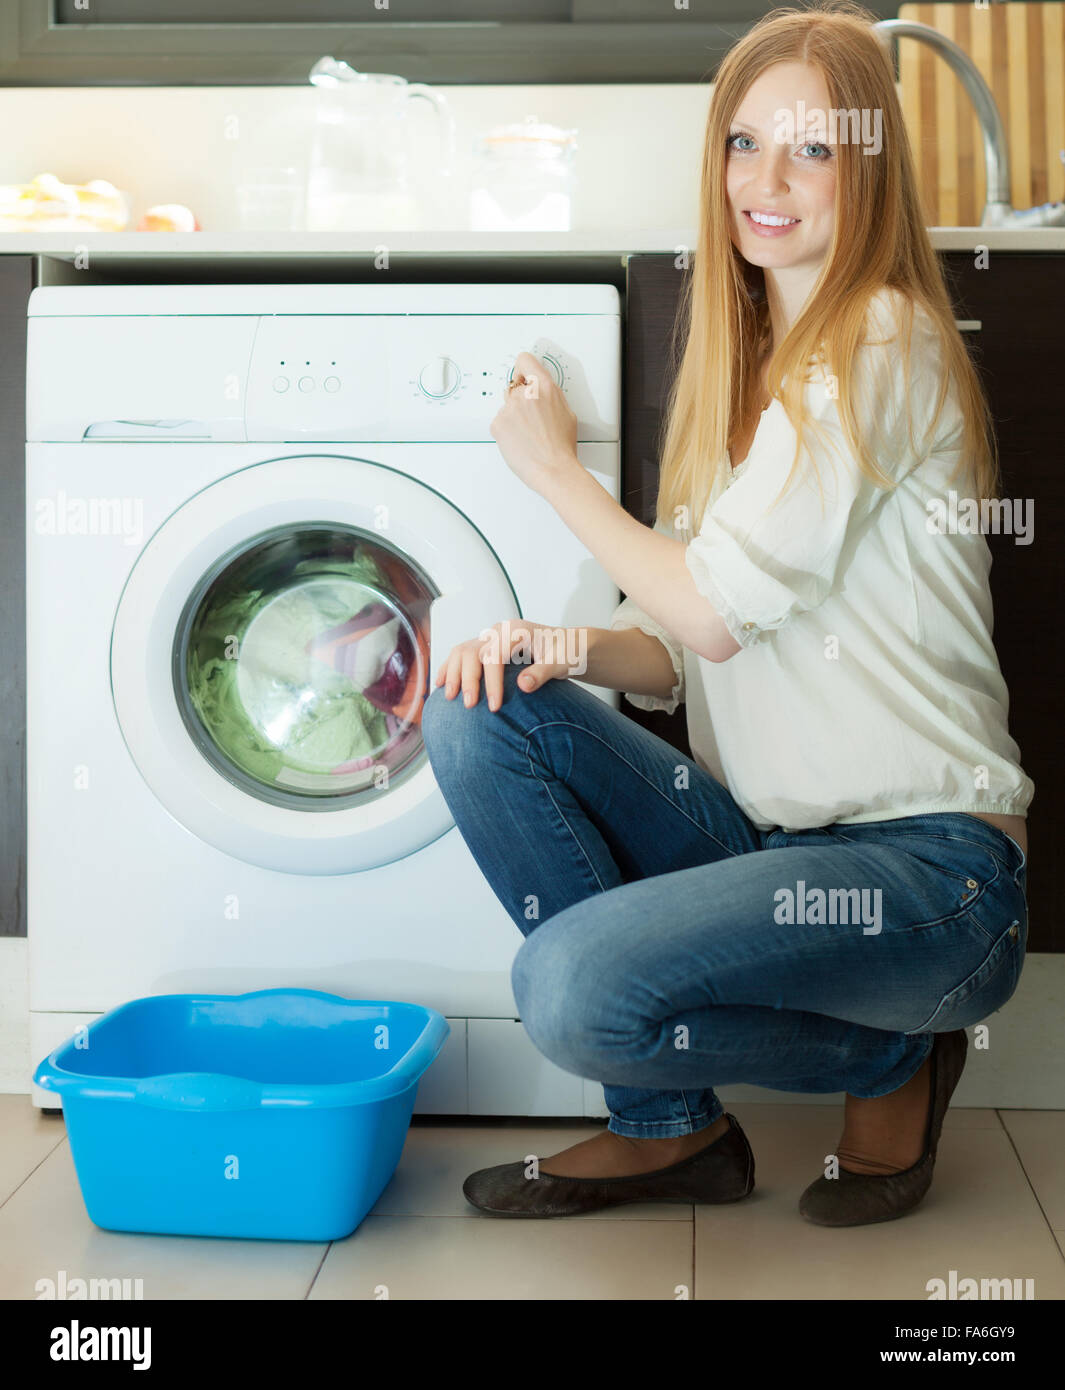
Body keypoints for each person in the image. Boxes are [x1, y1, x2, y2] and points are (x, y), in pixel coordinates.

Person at [419, 1, 1032, 1227]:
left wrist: (554, 471)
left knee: (569, 990)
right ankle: (672, 1132)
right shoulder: (741, 379)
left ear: (868, 168)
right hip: (771, 846)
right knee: (478, 714)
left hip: (929, 873)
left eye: (813, 148)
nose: (770, 179)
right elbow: (685, 645)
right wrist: (556, 647)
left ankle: (896, 1051)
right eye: (746, 144)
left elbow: (710, 614)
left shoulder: (882, 344)